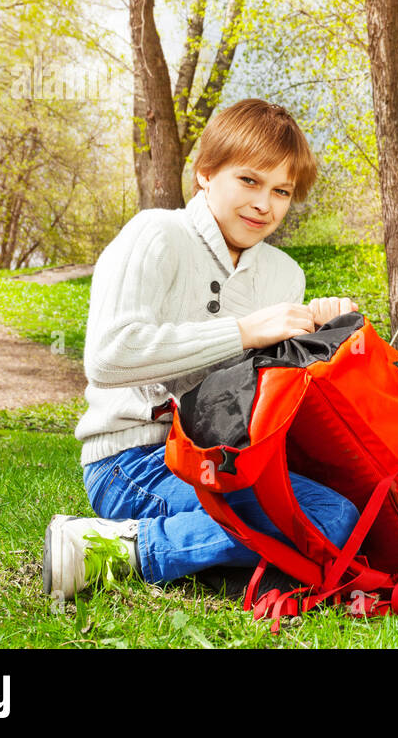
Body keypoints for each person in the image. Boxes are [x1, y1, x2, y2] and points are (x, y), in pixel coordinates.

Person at [43, 98, 361, 600]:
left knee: (333, 513)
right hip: (136, 458)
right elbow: (108, 356)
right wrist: (244, 330)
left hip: (232, 458)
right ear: (206, 173)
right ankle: (116, 549)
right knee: (297, 528)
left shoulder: (285, 274)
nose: (265, 205)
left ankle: (225, 567)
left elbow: (262, 390)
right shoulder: (156, 234)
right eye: (250, 181)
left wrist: (319, 337)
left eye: (282, 191)